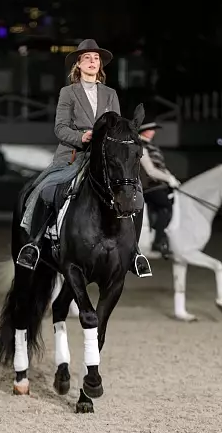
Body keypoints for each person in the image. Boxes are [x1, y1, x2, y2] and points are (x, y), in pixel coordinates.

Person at [17, 39, 152, 277]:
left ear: (100, 65)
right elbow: (60, 128)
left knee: (135, 193)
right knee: (46, 189)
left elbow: (117, 127)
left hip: (105, 160)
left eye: (96, 58)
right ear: (78, 64)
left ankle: (134, 250)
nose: (92, 62)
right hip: (74, 156)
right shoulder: (68, 92)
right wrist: (83, 137)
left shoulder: (110, 94)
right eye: (87, 58)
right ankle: (34, 243)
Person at [139, 120, 180, 256]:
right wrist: (168, 179)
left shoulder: (152, 147)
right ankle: (158, 241)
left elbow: (161, 167)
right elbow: (150, 171)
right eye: (151, 129)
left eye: (154, 130)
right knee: (165, 205)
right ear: (143, 131)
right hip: (147, 186)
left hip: (158, 184)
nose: (153, 132)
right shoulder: (140, 147)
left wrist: (172, 178)